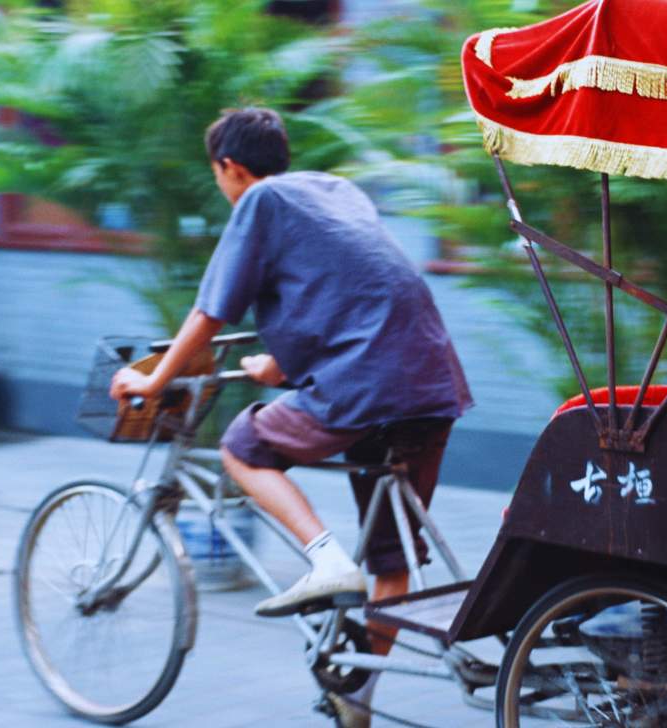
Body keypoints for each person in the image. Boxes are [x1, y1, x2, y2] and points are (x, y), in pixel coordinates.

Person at [110, 108, 474, 722]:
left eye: (219, 177)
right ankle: (356, 698)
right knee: (391, 562)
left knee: (243, 445)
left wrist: (151, 379)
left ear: (230, 167)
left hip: (365, 383)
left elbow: (209, 315)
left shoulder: (260, 200)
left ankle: (326, 558)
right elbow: (353, 290)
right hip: (429, 380)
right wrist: (275, 366)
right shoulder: (336, 192)